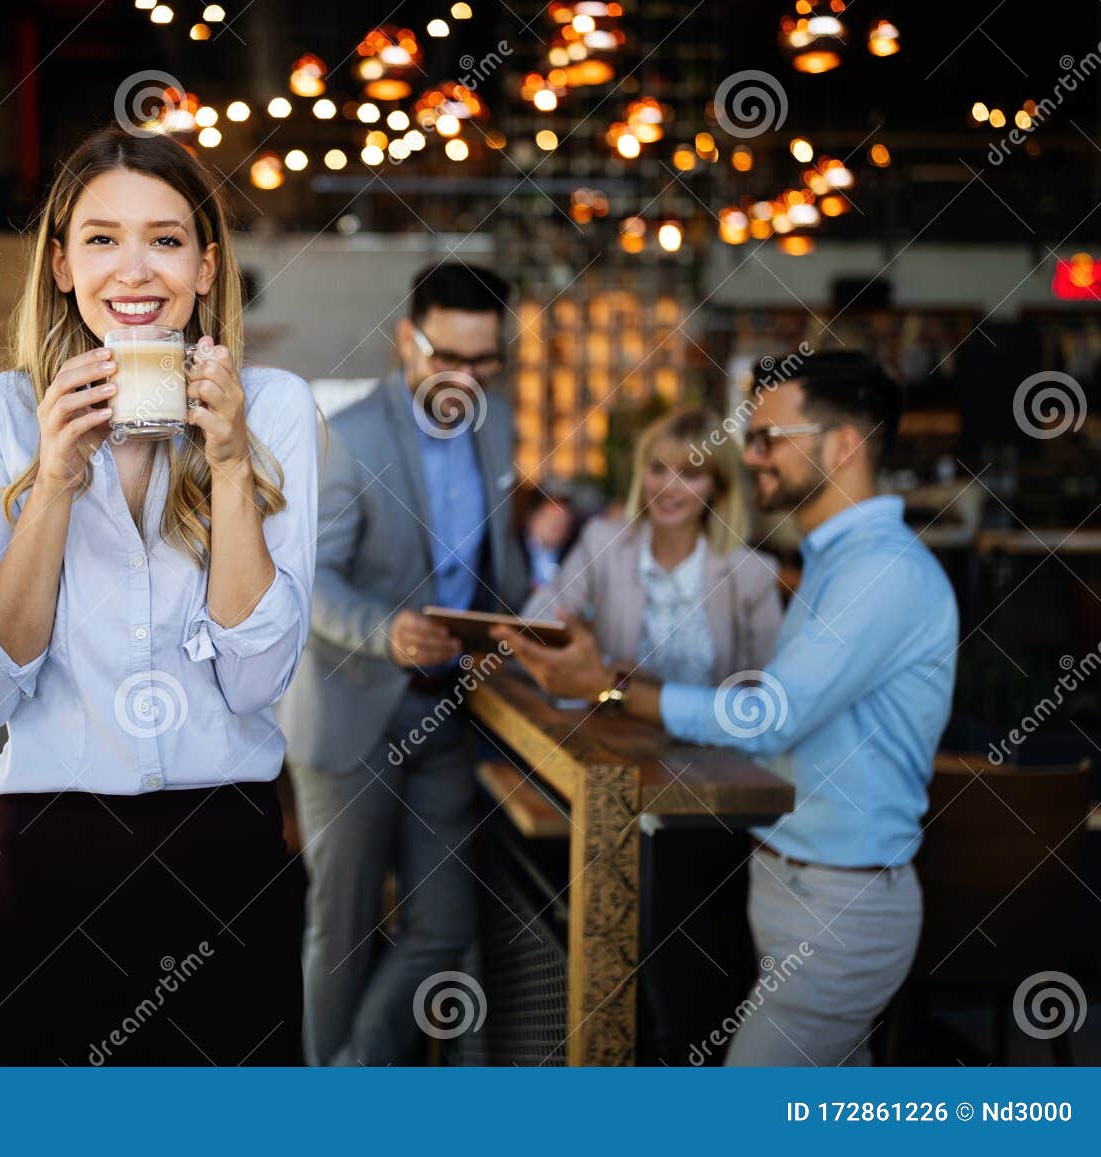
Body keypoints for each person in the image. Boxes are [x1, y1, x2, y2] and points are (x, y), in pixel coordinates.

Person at [0, 126, 318, 1066]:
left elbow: (257, 676)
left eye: (167, 238)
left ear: (205, 264)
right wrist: (54, 480)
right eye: (102, 238)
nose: (134, 268)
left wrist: (229, 468)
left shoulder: (272, 409)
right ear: (60, 265)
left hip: (224, 851)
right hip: (49, 851)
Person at [493, 352, 958, 1066]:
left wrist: (607, 688)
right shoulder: (834, 561)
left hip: (838, 906)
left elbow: (768, 715)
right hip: (792, 883)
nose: (752, 454)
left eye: (770, 436)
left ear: (842, 446)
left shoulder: (879, 570)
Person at [277, 261, 530, 1066]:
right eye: (445, 357)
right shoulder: (347, 437)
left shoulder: (497, 427)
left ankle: (354, 1076)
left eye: (483, 362)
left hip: (449, 710)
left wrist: (534, 618)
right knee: (342, 931)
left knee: (447, 922)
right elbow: (309, 583)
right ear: (406, 341)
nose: (463, 379)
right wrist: (388, 632)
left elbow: (496, 558)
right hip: (353, 708)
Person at [522, 407, 783, 685]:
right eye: (657, 468)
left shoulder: (753, 572)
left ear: (717, 488)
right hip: (611, 724)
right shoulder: (603, 540)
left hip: (708, 729)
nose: (667, 487)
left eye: (690, 473)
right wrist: (582, 648)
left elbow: (769, 689)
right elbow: (537, 622)